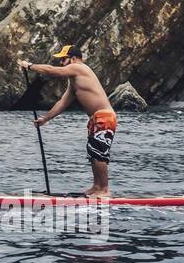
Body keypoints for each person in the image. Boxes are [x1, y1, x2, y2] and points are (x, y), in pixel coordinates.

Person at [17, 44, 116, 198]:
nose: (62, 63)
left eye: (64, 59)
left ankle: (104, 190)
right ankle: (97, 187)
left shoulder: (79, 68)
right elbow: (63, 103)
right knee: (93, 152)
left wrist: (29, 66)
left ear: (74, 58)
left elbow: (51, 70)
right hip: (96, 119)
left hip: (104, 116)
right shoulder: (74, 82)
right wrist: (45, 118)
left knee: (99, 153)